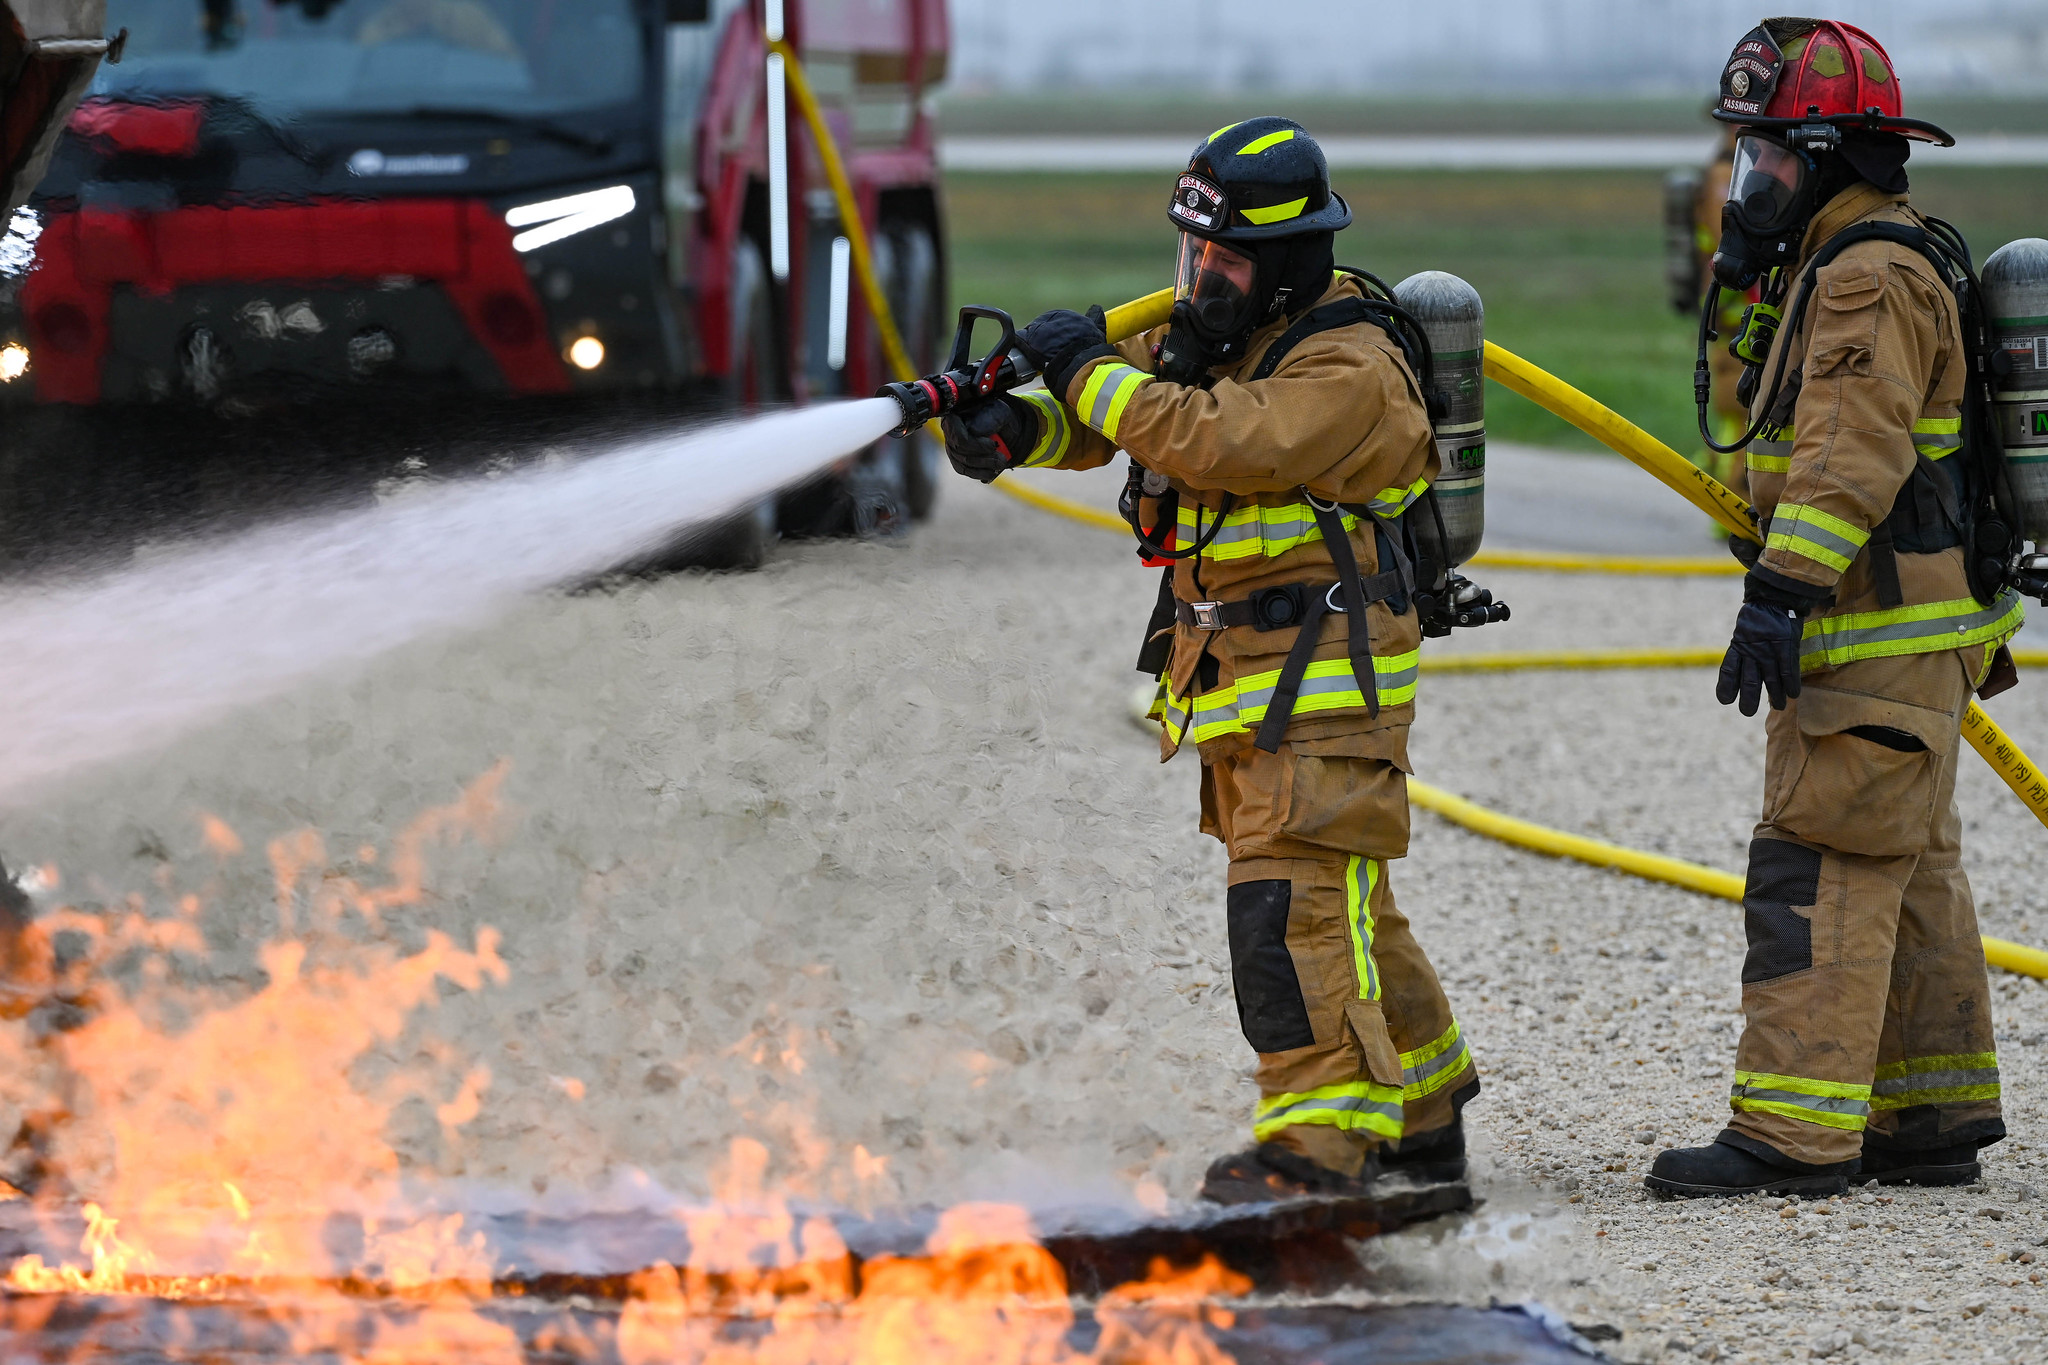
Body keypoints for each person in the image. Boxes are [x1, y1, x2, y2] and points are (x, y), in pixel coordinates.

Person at [940, 118, 1477, 1203]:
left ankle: (1315, 1144)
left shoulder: (1350, 365)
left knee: (1288, 907)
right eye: (1192, 255)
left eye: (1225, 260)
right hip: (1241, 681)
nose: (1201, 280)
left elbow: (1216, 441)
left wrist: (1082, 369)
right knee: (1344, 902)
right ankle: (1423, 1109)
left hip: (1322, 683)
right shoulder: (1228, 332)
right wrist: (1018, 431)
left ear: (1286, 261)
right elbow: (1119, 423)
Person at [1648, 18, 2026, 1199]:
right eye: (1742, 161)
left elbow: (1847, 460)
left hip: (1867, 628)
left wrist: (1777, 592)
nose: (1745, 185)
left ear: (1830, 157)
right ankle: (1928, 1116)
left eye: (1765, 161)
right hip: (1912, 631)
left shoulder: (1865, 273)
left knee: (1817, 860)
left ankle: (1791, 1134)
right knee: (1907, 869)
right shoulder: (1858, 257)